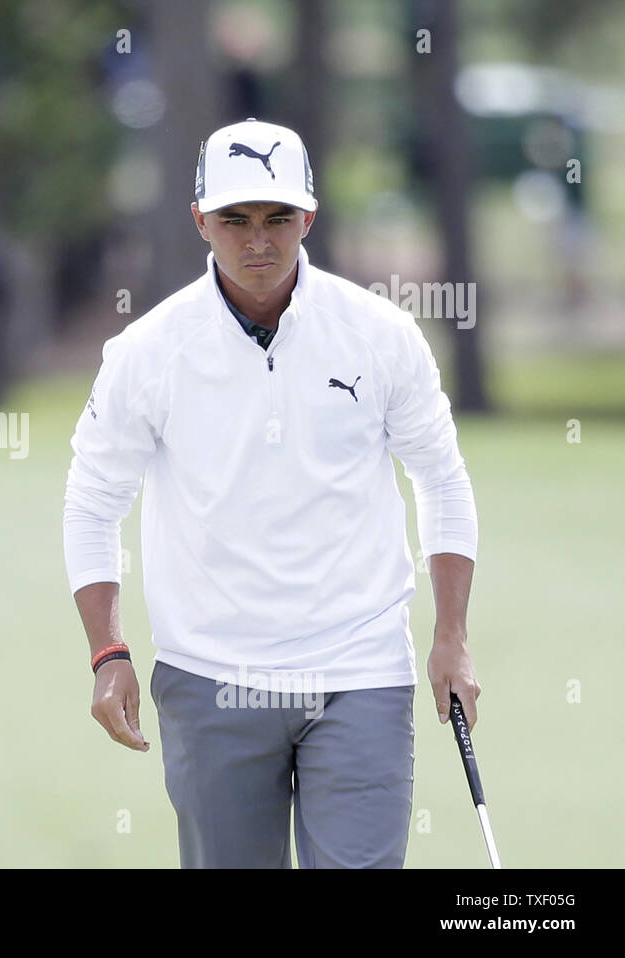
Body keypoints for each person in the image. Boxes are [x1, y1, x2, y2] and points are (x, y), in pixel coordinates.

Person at [62, 118, 481, 868]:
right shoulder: (148, 352)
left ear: (309, 216)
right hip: (210, 673)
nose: (259, 239)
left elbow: (441, 477)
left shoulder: (380, 335)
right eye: (236, 219)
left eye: (278, 217)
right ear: (201, 222)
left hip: (360, 671)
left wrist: (450, 635)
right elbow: (93, 500)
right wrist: (108, 651)